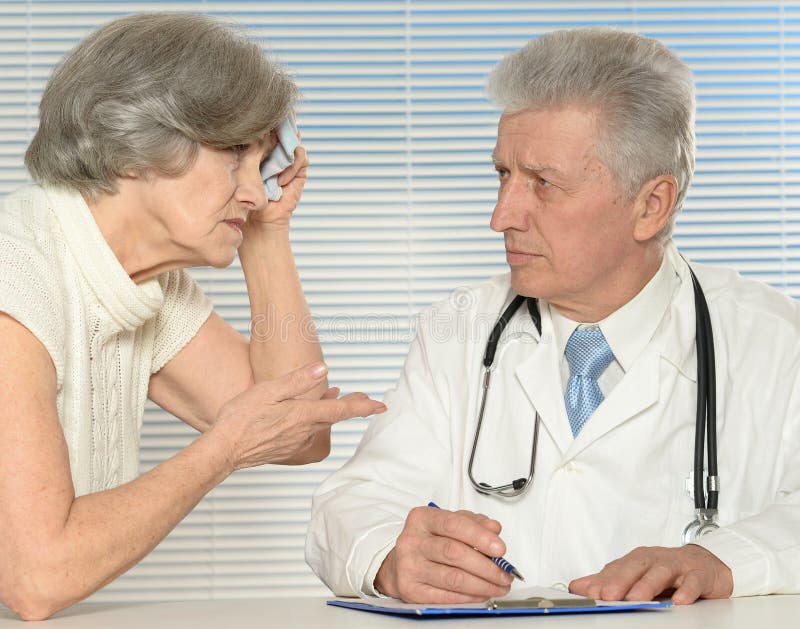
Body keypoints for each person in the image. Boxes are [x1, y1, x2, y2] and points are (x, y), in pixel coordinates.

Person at [306, 28, 800, 606]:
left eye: (543, 183)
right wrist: (387, 555)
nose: (501, 216)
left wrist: (721, 560)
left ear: (650, 205)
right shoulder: (457, 332)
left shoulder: (774, 340)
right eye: (502, 175)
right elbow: (353, 503)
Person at [0, 12, 386, 621]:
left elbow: (299, 434)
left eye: (260, 164)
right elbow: (38, 577)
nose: (256, 190)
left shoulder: (148, 285)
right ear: (131, 146)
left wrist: (266, 235)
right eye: (234, 154)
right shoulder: (15, 275)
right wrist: (224, 448)